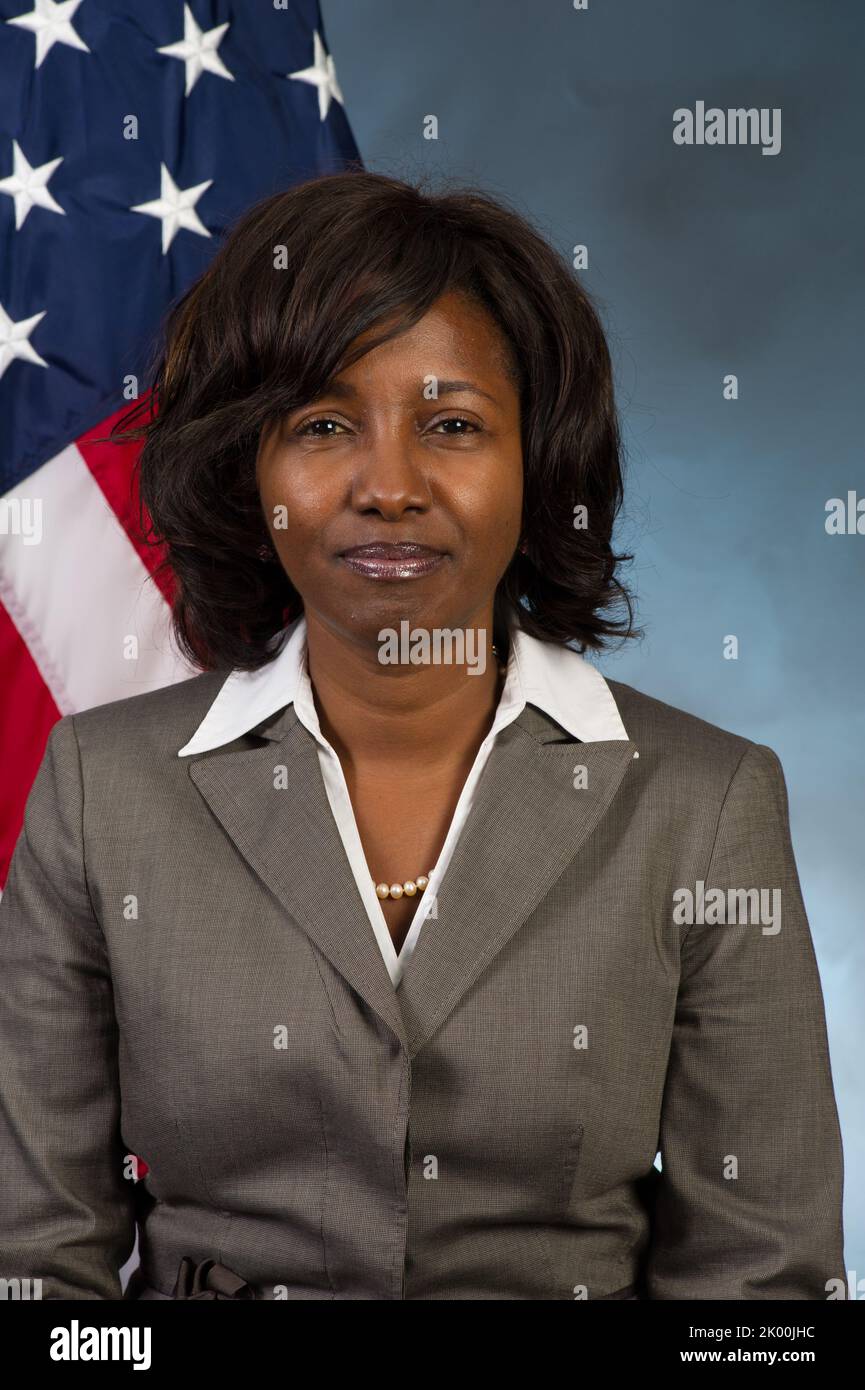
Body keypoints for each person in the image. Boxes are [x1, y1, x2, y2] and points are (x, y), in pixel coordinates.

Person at [0, 170, 845, 1300]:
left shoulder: (703, 802)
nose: (388, 484)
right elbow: (34, 1274)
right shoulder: (101, 789)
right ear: (250, 469)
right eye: (323, 425)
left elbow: (760, 1295)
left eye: (450, 425)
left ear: (537, 461)